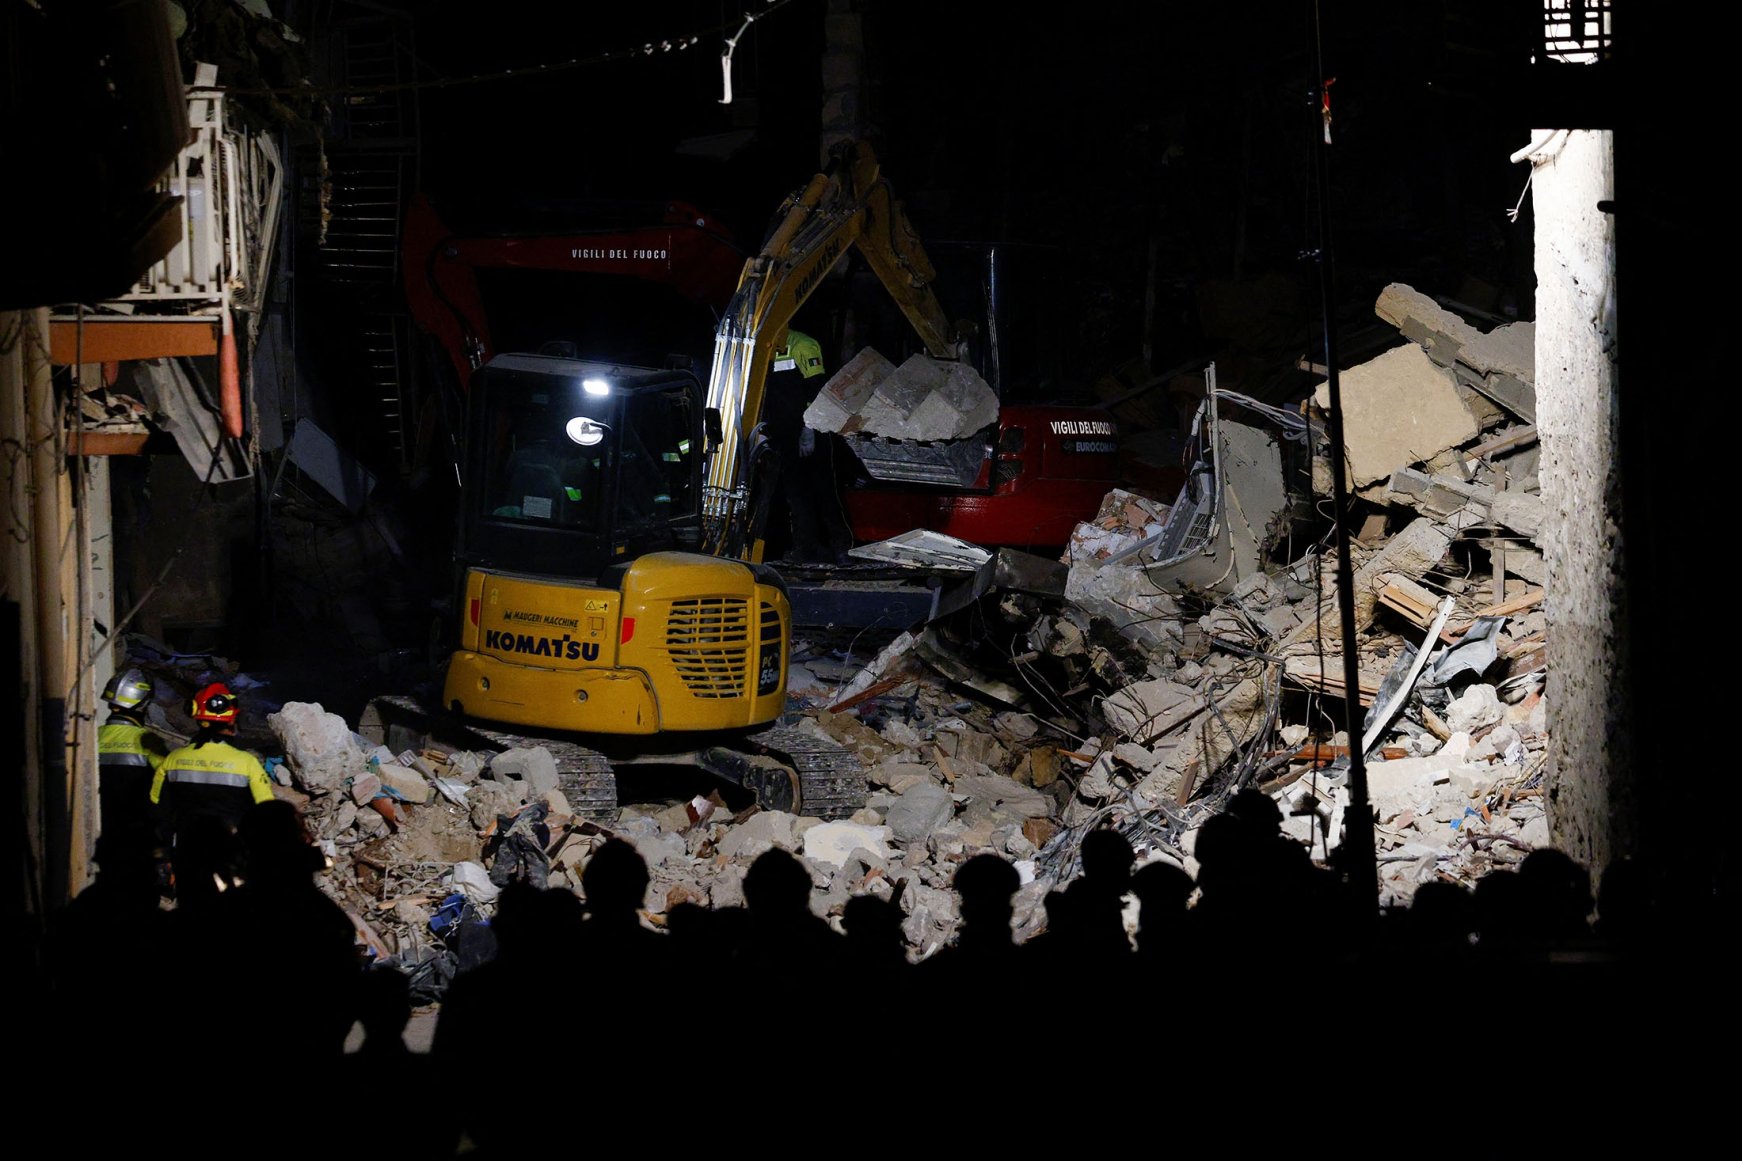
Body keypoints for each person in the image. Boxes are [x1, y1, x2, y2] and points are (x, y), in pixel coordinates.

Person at [150, 681, 276, 899]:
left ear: (196, 716)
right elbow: (267, 817)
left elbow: (159, 817)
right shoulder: (247, 763)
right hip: (233, 862)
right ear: (232, 720)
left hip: (188, 860)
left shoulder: (173, 761)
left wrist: (164, 862)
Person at [763, 328, 854, 564]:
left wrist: (809, 428)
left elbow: (817, 390)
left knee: (824, 490)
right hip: (785, 436)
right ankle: (805, 549)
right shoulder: (765, 347)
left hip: (811, 430)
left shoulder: (804, 345)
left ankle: (841, 548)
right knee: (796, 495)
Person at [96, 666, 168, 861]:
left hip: (99, 832)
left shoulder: (93, 737)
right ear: (142, 705)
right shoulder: (148, 741)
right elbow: (166, 788)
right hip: (138, 836)